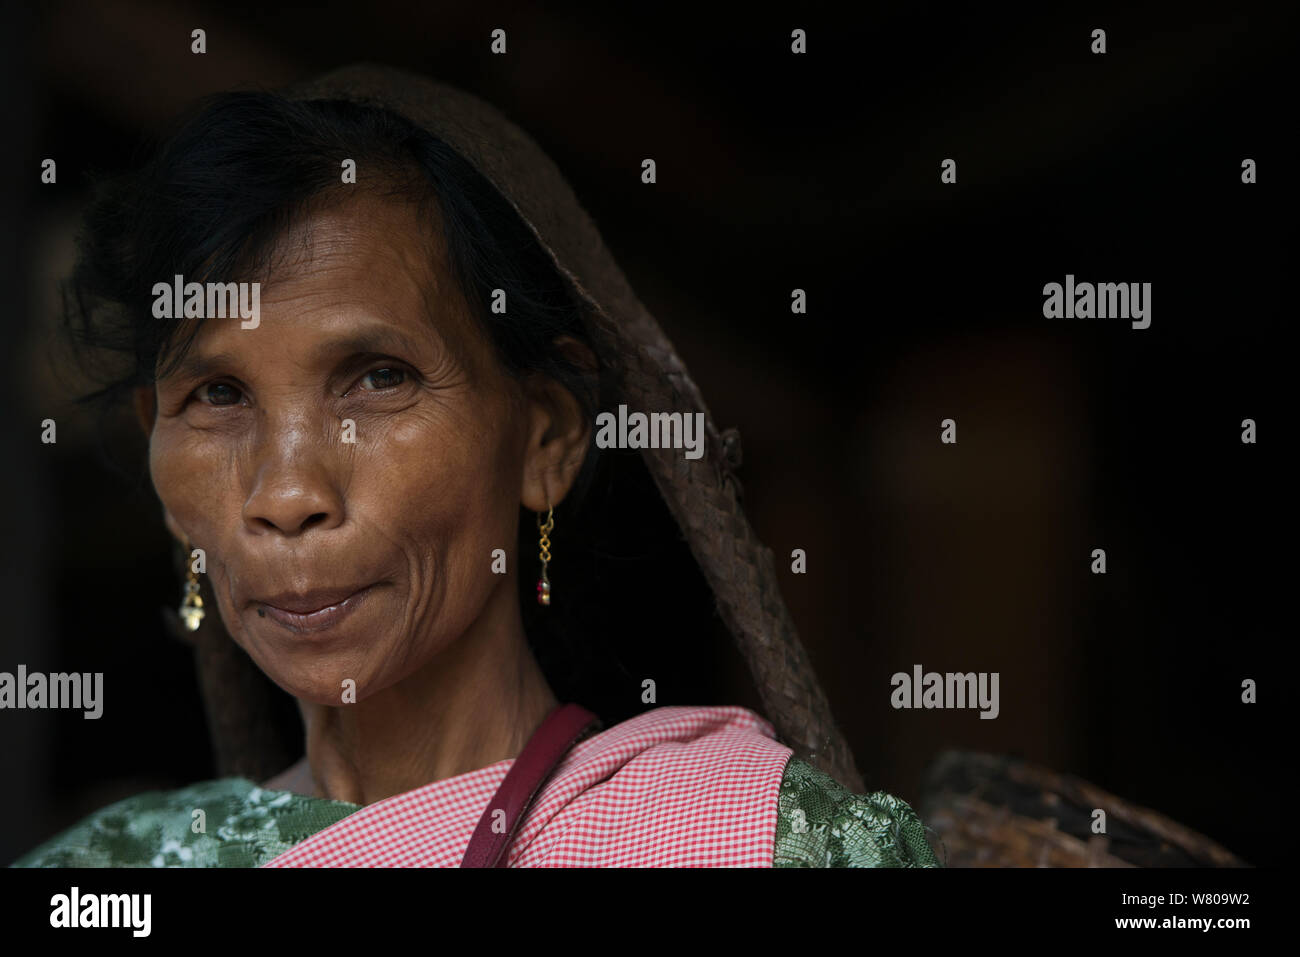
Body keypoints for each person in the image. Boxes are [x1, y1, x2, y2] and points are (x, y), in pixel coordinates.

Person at [14, 64, 940, 868]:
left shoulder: (764, 841)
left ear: (543, 439)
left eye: (379, 378)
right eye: (217, 397)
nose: (287, 493)